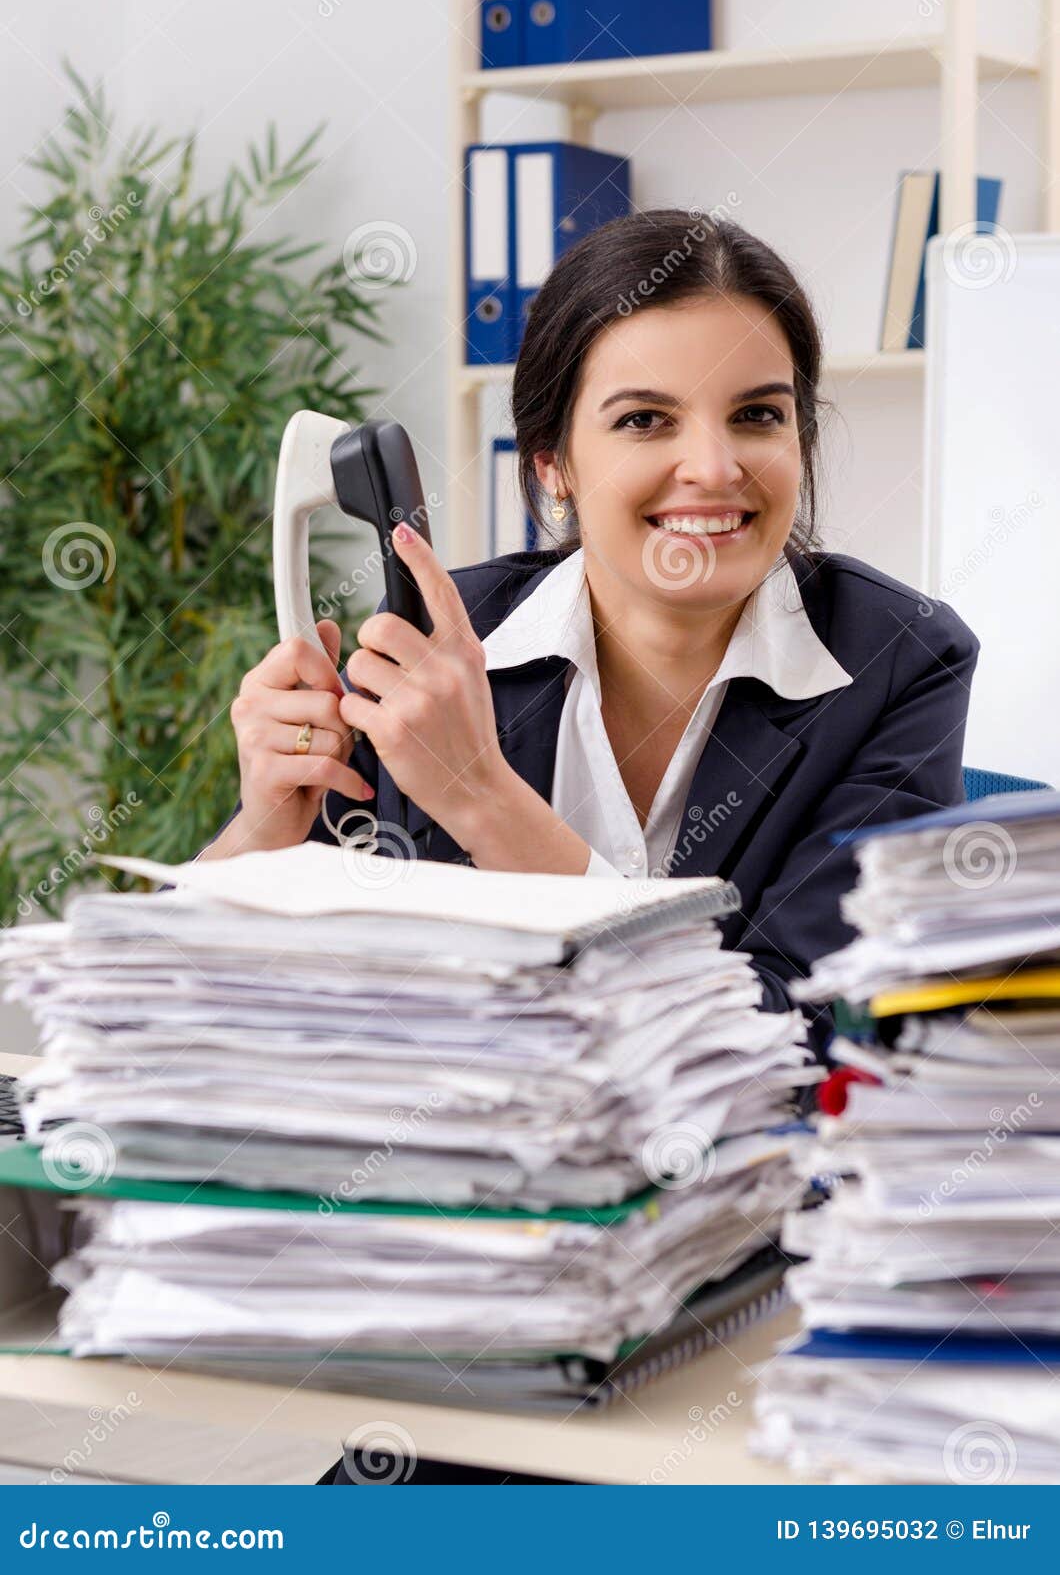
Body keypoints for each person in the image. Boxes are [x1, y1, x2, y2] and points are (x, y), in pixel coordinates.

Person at [202, 209, 979, 1481]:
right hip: (465, 1309)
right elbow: (257, 1021)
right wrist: (268, 825)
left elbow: (795, 1048)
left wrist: (482, 798)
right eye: (644, 420)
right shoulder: (449, 641)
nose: (713, 467)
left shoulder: (897, 663)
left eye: (759, 415)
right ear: (551, 459)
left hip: (751, 1315)